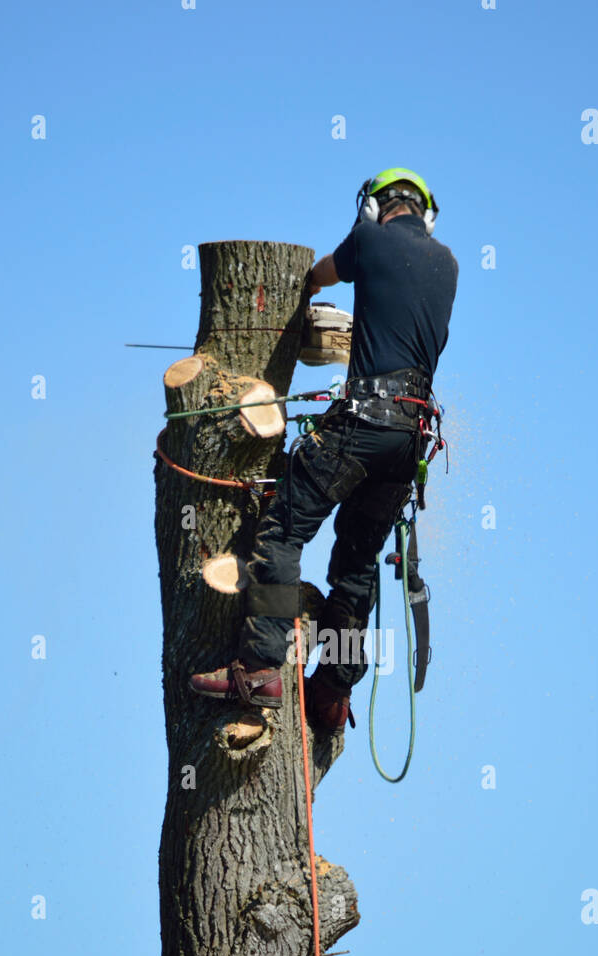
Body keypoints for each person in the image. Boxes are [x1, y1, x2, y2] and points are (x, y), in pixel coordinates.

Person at [188, 167, 459, 731]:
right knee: (356, 568)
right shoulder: (449, 264)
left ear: (373, 207)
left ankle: (261, 665)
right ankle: (333, 692)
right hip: (409, 438)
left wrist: (306, 297)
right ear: (426, 213)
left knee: (283, 532)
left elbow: (318, 275)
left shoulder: (369, 240)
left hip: (360, 423)